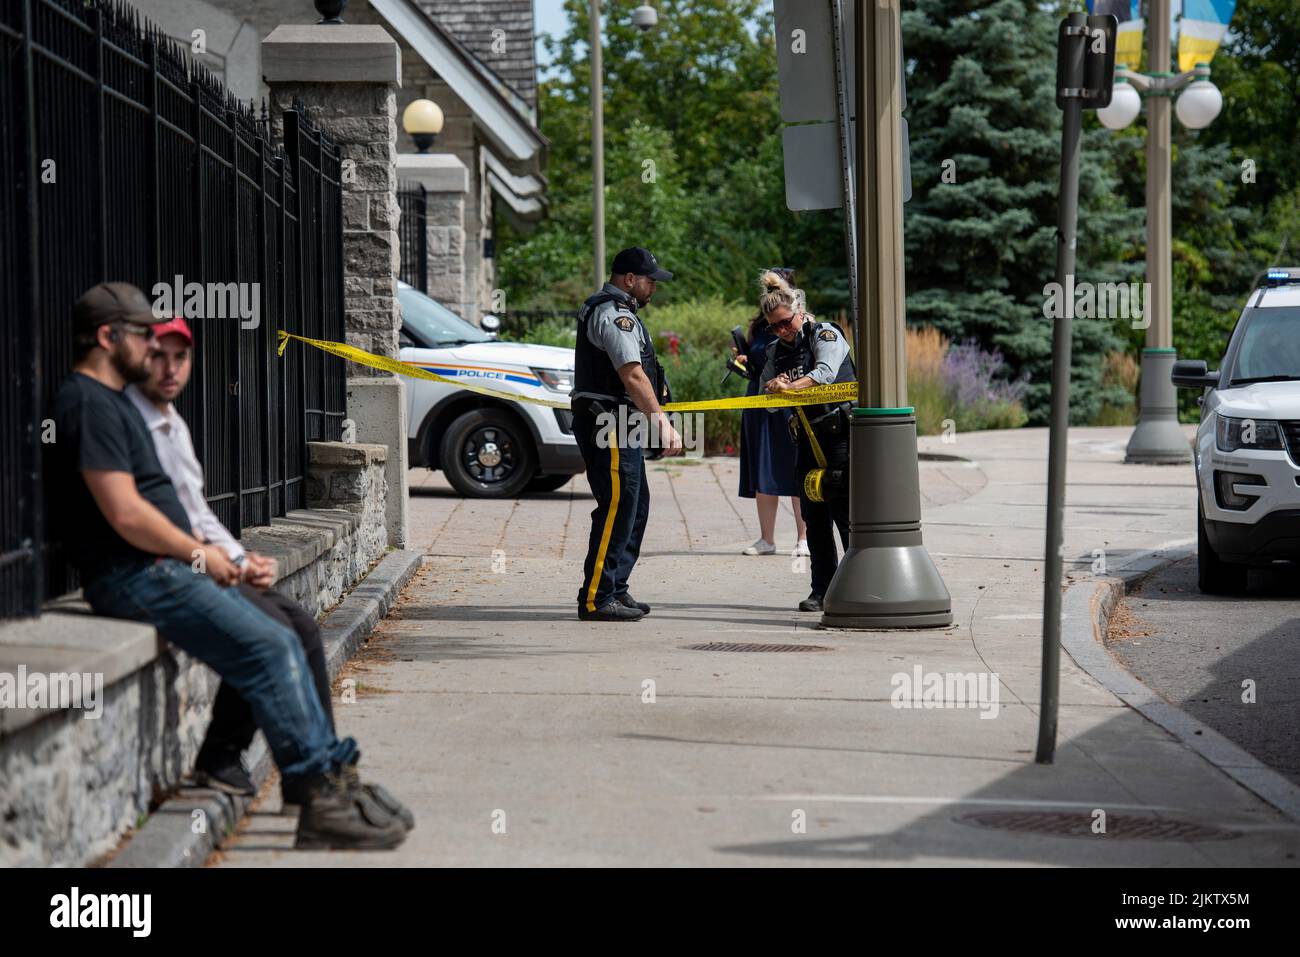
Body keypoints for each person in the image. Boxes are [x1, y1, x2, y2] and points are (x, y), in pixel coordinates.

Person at [50, 282, 410, 849]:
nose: (150, 346)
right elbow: (123, 511)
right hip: (135, 574)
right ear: (106, 337)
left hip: (159, 568)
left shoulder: (112, 402)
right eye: (142, 334)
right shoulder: (85, 403)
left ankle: (326, 779)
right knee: (268, 647)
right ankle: (317, 793)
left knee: (283, 638)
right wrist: (200, 554)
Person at [571, 247, 683, 622]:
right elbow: (632, 375)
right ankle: (597, 598)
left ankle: (616, 586)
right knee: (618, 506)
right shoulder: (613, 315)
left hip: (620, 423)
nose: (654, 288)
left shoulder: (619, 311)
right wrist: (663, 423)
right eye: (650, 281)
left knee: (635, 503)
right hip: (610, 422)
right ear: (630, 280)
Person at [756, 271, 855, 612]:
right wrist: (773, 389)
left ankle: (857, 584)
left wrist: (790, 388)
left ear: (799, 310)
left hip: (840, 436)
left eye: (786, 323)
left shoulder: (824, 334)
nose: (782, 331)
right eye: (775, 327)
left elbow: (826, 374)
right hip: (806, 439)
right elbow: (763, 398)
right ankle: (822, 590)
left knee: (845, 512)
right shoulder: (775, 352)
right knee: (814, 516)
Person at [736, 275, 808, 557]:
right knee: (764, 468)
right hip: (761, 400)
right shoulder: (759, 325)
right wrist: (743, 360)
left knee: (796, 467)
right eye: (774, 325)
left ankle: (804, 537)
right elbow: (759, 366)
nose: (780, 329)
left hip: (791, 403)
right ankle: (767, 538)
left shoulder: (804, 327)